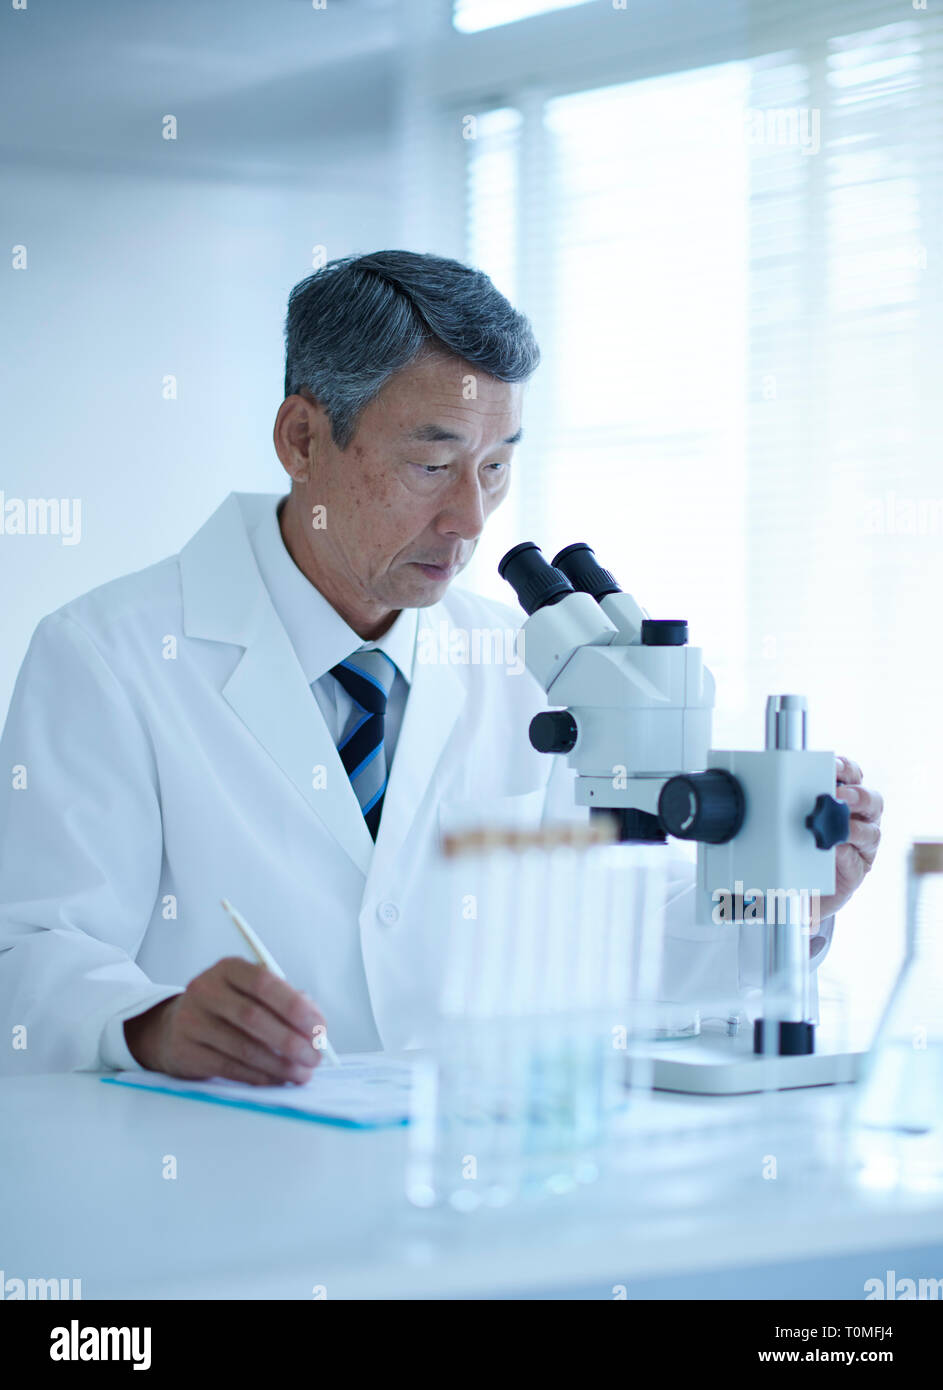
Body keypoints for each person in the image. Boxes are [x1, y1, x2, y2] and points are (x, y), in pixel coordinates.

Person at [0, 251, 883, 1082]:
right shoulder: (108, 655)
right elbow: (32, 953)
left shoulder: (528, 666)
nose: (470, 518)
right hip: (216, 1179)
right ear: (302, 438)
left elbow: (616, 937)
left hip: (461, 1180)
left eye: (495, 468)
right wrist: (151, 1024)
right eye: (432, 465)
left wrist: (777, 902)